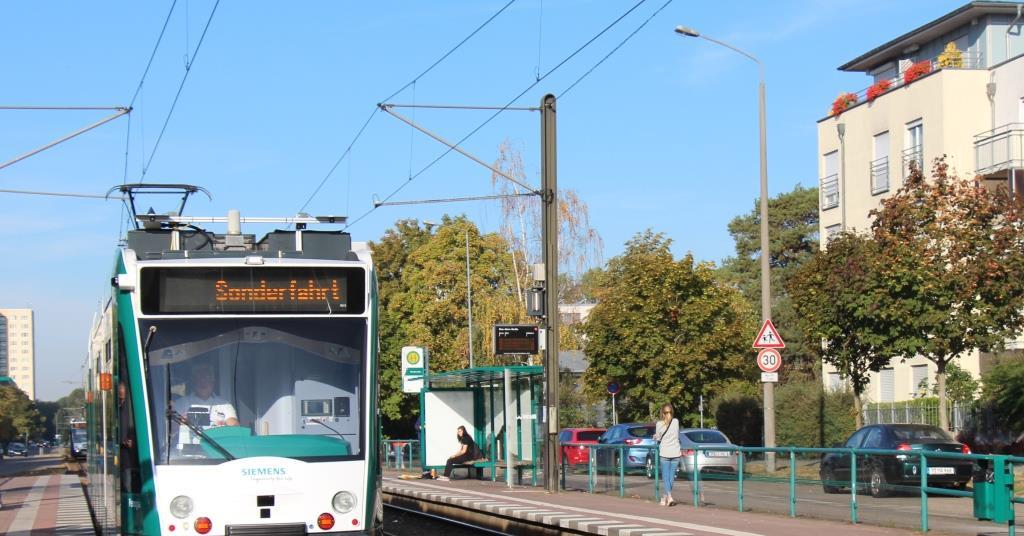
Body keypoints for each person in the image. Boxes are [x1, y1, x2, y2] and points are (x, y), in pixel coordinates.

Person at [172, 361, 238, 455]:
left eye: (206, 378)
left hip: (218, 452)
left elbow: (235, 427)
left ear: (213, 381)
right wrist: (181, 422)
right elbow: (170, 431)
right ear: (194, 381)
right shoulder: (181, 403)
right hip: (186, 454)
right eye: (199, 379)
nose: (203, 383)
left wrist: (225, 427)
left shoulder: (224, 404)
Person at [655, 403, 681, 506]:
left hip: (665, 453)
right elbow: (676, 435)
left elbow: (658, 438)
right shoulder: (676, 422)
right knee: (671, 478)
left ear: (662, 413)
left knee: (666, 477)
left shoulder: (659, 424)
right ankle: (665, 497)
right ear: (672, 412)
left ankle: (668, 496)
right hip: (675, 452)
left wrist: (656, 436)